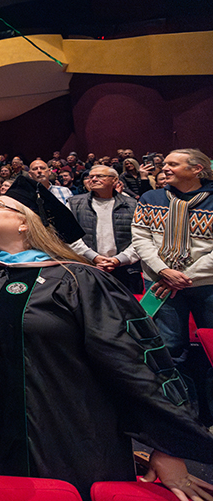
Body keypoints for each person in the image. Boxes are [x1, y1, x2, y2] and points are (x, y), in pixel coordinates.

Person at [0, 174, 213, 498]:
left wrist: (168, 447)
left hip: (59, 442)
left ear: (25, 223)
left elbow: (133, 364)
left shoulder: (78, 281)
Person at [132, 148, 213, 412]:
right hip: (160, 281)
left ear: (197, 169)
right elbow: (141, 238)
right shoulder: (151, 198)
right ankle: (183, 413)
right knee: (170, 348)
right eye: (164, 163)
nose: (164, 168)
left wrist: (183, 277)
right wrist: (164, 271)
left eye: (172, 164)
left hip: (207, 284)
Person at [68, 164, 142, 293]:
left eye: (100, 176)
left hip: (125, 270)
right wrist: (93, 257)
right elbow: (68, 235)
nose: (93, 179)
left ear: (115, 180)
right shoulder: (74, 203)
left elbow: (141, 238)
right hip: (86, 267)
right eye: (91, 177)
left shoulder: (132, 204)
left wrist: (118, 260)